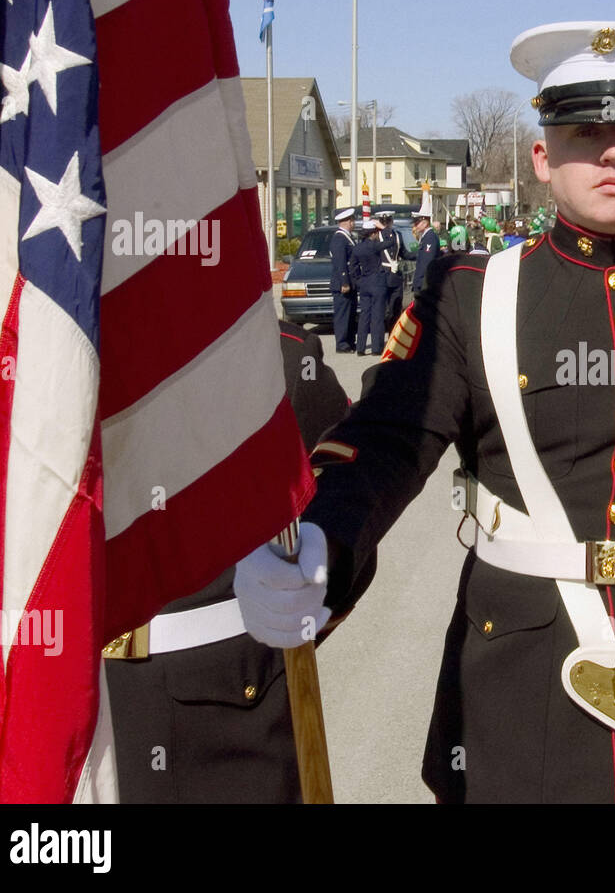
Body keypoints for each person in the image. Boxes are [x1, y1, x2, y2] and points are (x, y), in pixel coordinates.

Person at [233, 20, 615, 804]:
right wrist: (325, 535)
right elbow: (389, 441)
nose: (611, 151)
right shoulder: (468, 294)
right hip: (516, 702)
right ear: (541, 157)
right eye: (582, 132)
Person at [104, 321, 352, 803]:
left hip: (225, 718)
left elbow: (340, 519)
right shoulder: (17, 355)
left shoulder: (278, 358)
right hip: (45, 702)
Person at [353, 219, 404, 356]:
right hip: (378, 283)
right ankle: (376, 348)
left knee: (364, 316)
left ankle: (360, 348)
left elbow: (353, 268)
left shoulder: (357, 248)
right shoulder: (375, 246)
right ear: (374, 233)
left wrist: (359, 281)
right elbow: (392, 241)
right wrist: (385, 229)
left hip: (364, 283)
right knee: (377, 316)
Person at [328, 207, 358, 352]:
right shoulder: (339, 238)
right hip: (343, 284)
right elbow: (340, 263)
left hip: (351, 283)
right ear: (347, 221)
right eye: (352, 220)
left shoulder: (348, 237)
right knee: (343, 315)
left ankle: (350, 341)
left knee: (350, 314)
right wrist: (345, 282)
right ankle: (342, 343)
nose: (353, 223)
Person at [410, 197, 442, 295]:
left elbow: (426, 262)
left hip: (425, 284)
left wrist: (419, 282)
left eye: (417, 223)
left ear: (425, 223)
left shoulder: (430, 238)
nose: (415, 226)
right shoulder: (425, 237)